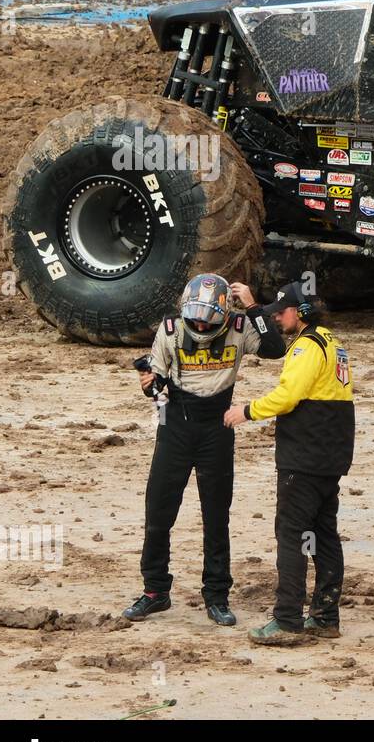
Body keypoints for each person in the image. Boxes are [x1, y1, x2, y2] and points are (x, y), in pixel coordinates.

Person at [124, 274, 287, 626]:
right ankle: (155, 591)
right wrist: (151, 388)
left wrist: (256, 306)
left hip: (218, 427)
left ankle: (216, 597)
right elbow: (156, 389)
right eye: (195, 317)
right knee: (159, 513)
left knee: (216, 517)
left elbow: (276, 349)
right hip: (175, 427)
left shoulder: (241, 325)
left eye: (206, 319)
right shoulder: (169, 329)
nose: (199, 324)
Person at [223, 281, 354, 646]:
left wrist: (245, 412)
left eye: (283, 311)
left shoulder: (307, 348)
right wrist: (254, 307)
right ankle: (325, 615)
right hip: (332, 453)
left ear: (302, 312)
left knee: (292, 535)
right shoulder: (332, 342)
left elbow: (287, 397)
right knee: (324, 533)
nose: (278, 316)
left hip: (305, 455)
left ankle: (286, 620)